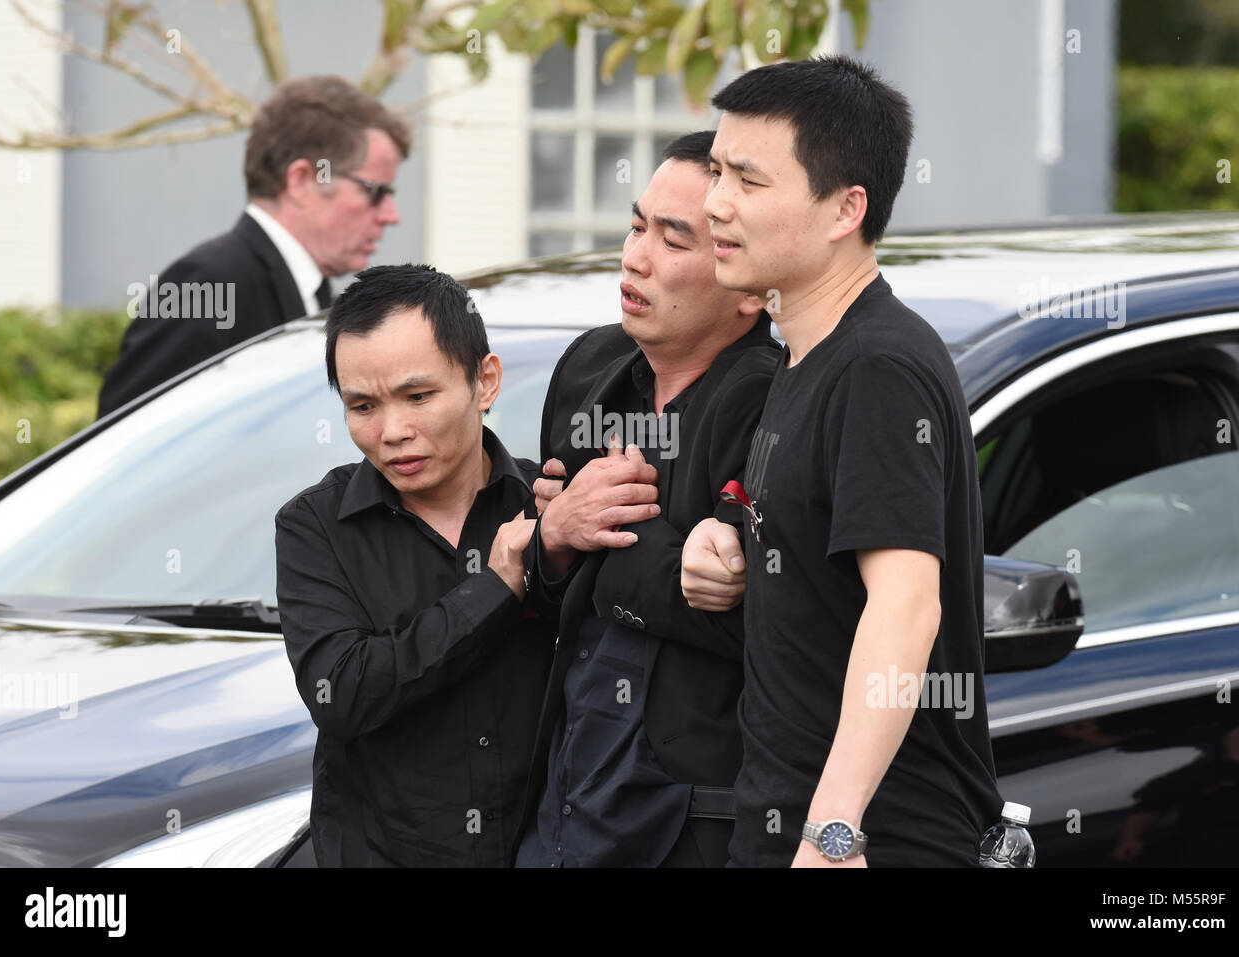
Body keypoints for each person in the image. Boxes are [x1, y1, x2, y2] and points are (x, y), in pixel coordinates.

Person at [683, 55, 1004, 867]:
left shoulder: (876, 367)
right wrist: (727, 534)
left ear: (844, 209)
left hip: (875, 839)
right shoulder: (804, 357)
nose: (715, 203)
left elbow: (906, 605)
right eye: (716, 171)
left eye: (749, 182)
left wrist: (834, 829)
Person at [513, 131, 781, 868]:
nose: (635, 258)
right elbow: (540, 579)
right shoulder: (590, 367)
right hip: (563, 793)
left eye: (674, 240)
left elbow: (763, 622)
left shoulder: (774, 402)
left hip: (685, 814)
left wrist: (599, 533)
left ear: (749, 286)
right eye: (636, 227)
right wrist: (554, 537)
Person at [274, 264, 554, 866]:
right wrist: (496, 587)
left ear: (485, 381)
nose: (392, 431)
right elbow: (343, 693)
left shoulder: (549, 508)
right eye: (363, 406)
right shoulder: (315, 528)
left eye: (418, 396)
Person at [98, 75, 409, 416]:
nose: (391, 215)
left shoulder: (313, 293)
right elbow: (126, 442)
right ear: (302, 180)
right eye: (375, 191)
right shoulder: (209, 283)